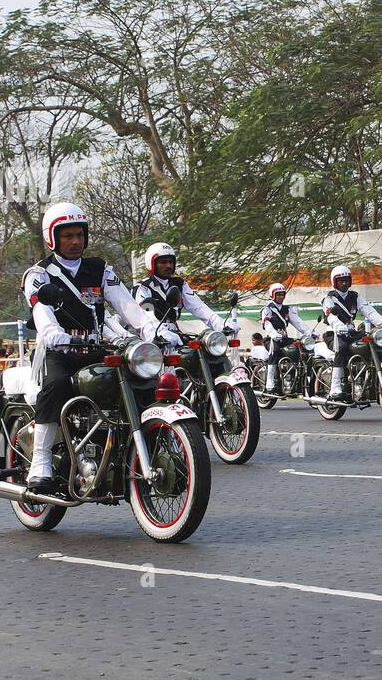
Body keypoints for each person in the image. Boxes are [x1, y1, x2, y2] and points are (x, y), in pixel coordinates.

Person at [19, 202, 159, 490]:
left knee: (142, 380)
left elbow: (127, 305)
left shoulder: (99, 269)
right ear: (53, 237)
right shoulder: (39, 274)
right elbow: (40, 310)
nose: (75, 241)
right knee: (57, 385)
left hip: (95, 350)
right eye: (67, 236)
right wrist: (53, 333)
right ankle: (41, 462)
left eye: (79, 235)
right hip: (59, 352)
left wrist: (151, 329)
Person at [131, 242, 233, 351]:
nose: (168, 266)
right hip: (152, 338)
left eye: (171, 262)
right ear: (152, 264)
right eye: (163, 262)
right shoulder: (143, 287)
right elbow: (146, 316)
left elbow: (198, 307)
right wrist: (160, 332)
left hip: (175, 335)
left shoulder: (179, 284)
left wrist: (220, 323)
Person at [320, 265, 382, 403]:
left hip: (351, 332)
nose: (344, 283)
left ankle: (379, 382)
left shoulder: (355, 297)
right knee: (341, 349)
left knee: (374, 342)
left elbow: (368, 311)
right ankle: (335, 387)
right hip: (334, 333)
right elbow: (330, 316)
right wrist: (339, 326)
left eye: (347, 280)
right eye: (341, 280)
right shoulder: (329, 299)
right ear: (335, 282)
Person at [259, 282, 313, 393]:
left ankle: (296, 377)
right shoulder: (267, 309)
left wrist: (309, 332)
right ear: (273, 295)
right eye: (278, 294)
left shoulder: (287, 309)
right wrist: (273, 333)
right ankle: (270, 382)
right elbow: (267, 323)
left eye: (283, 294)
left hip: (284, 338)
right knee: (274, 350)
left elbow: (298, 322)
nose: (281, 297)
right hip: (271, 338)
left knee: (300, 348)